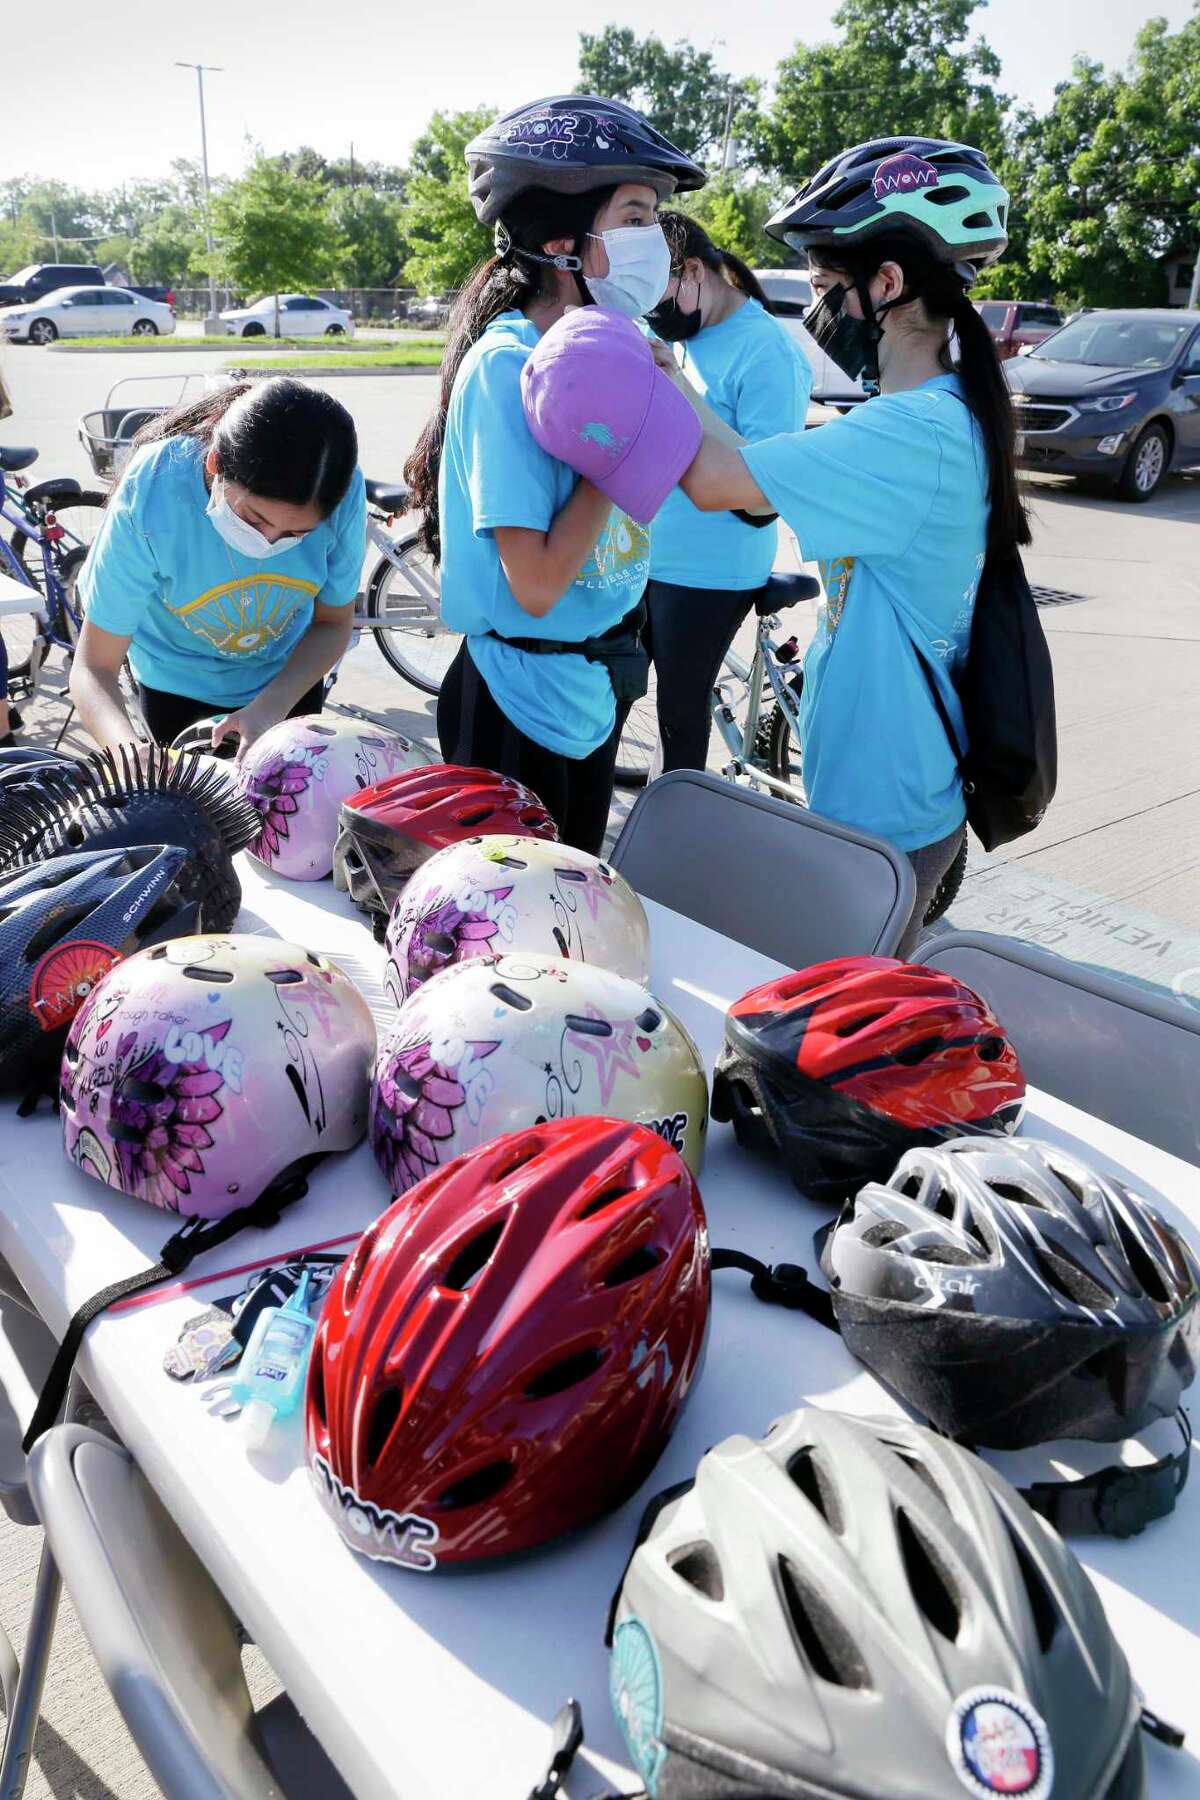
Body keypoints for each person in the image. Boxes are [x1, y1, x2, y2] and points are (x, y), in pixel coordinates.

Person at [675, 138, 1029, 955]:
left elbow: (716, 483)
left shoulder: (911, 433)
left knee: (829, 1050)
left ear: (889, 282)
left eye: (829, 285)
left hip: (884, 814)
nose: (817, 308)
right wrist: (672, 375)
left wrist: (650, 377)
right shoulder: (936, 414)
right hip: (896, 797)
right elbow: (753, 470)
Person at [404, 94, 704, 853]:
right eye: (636, 218)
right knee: (509, 940)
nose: (655, 242)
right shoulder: (509, 369)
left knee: (572, 919)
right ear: (564, 242)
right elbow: (535, 586)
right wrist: (621, 455)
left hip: (591, 689)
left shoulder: (621, 345)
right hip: (517, 702)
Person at [70, 377, 365, 758]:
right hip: (175, 688)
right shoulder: (154, 488)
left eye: (296, 533)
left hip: (288, 681)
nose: (267, 543)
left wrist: (271, 707)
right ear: (215, 463)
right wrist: (130, 751)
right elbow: (94, 666)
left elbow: (332, 623)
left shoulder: (343, 493)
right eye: (254, 519)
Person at [641, 213, 811, 771]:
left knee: (679, 716)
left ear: (692, 271)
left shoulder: (766, 351)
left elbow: (767, 491)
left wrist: (679, 386)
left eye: (654, 291)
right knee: (612, 695)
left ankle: (682, 845)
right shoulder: (683, 332)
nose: (649, 310)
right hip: (649, 558)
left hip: (709, 571)